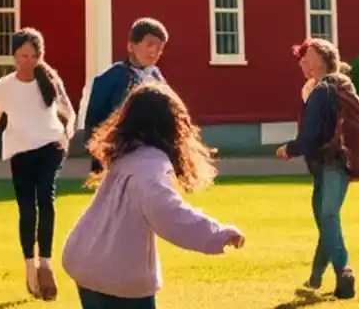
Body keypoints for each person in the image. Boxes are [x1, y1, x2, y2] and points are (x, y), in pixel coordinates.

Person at [62, 82, 245, 308]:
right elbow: (169, 214)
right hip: (118, 275)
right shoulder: (150, 165)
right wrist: (217, 234)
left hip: (86, 261)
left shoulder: (126, 154)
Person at [0, 28, 76, 301]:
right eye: (22, 55)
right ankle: (30, 266)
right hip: (20, 150)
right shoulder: (4, 86)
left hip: (50, 145)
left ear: (40, 56)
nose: (27, 61)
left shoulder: (49, 80)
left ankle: (46, 264)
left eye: (33, 56)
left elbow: (68, 111)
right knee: (26, 208)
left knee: (46, 198)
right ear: (14, 55)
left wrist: (67, 134)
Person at [276, 38, 359, 300]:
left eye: (308, 56)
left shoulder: (322, 91)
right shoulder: (335, 88)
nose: (303, 62)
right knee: (325, 219)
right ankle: (315, 280)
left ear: (322, 59)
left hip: (333, 160)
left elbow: (311, 136)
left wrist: (290, 149)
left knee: (328, 216)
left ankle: (345, 273)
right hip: (338, 161)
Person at [81, 17, 169, 174]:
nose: (154, 52)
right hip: (121, 152)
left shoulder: (157, 77)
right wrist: (99, 155)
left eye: (160, 48)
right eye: (149, 45)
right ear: (131, 46)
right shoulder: (111, 77)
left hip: (152, 152)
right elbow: (95, 119)